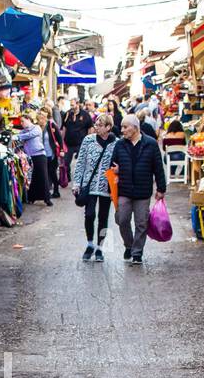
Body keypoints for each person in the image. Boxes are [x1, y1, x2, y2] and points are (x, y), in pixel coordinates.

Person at [110, 114, 167, 264]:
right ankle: (129, 245)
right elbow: (112, 165)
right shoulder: (120, 144)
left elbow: (158, 168)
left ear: (135, 128)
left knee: (141, 223)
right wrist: (116, 170)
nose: (122, 130)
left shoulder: (151, 143)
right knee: (122, 219)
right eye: (122, 127)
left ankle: (137, 252)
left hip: (143, 191)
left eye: (125, 127)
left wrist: (161, 188)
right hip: (124, 189)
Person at [72, 113, 117, 262]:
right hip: (88, 185)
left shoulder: (116, 143)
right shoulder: (88, 140)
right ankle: (90, 243)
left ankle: (100, 248)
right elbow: (80, 163)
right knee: (89, 215)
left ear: (108, 127)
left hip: (106, 186)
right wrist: (77, 183)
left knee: (103, 218)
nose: (95, 127)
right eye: (96, 124)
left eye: (99, 125)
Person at [16, 111, 53, 207]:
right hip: (30, 157)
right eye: (20, 122)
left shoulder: (36, 128)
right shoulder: (23, 131)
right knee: (33, 178)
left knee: (43, 177)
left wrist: (18, 136)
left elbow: (30, 135)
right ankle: (32, 197)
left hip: (40, 155)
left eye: (23, 121)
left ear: (28, 119)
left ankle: (47, 199)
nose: (21, 123)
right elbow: (21, 139)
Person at [62, 97, 93, 178]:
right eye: (70, 105)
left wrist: (89, 141)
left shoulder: (85, 114)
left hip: (81, 143)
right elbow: (64, 128)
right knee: (65, 162)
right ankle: (67, 177)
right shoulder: (67, 114)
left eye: (73, 105)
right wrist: (62, 141)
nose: (71, 106)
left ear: (78, 104)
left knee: (82, 162)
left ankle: (81, 177)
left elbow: (90, 128)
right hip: (69, 143)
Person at [43, 109, 66, 200]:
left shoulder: (51, 124)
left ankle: (56, 191)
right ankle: (48, 191)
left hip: (52, 153)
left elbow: (59, 138)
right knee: (48, 173)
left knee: (52, 173)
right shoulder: (41, 126)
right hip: (44, 153)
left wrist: (61, 150)